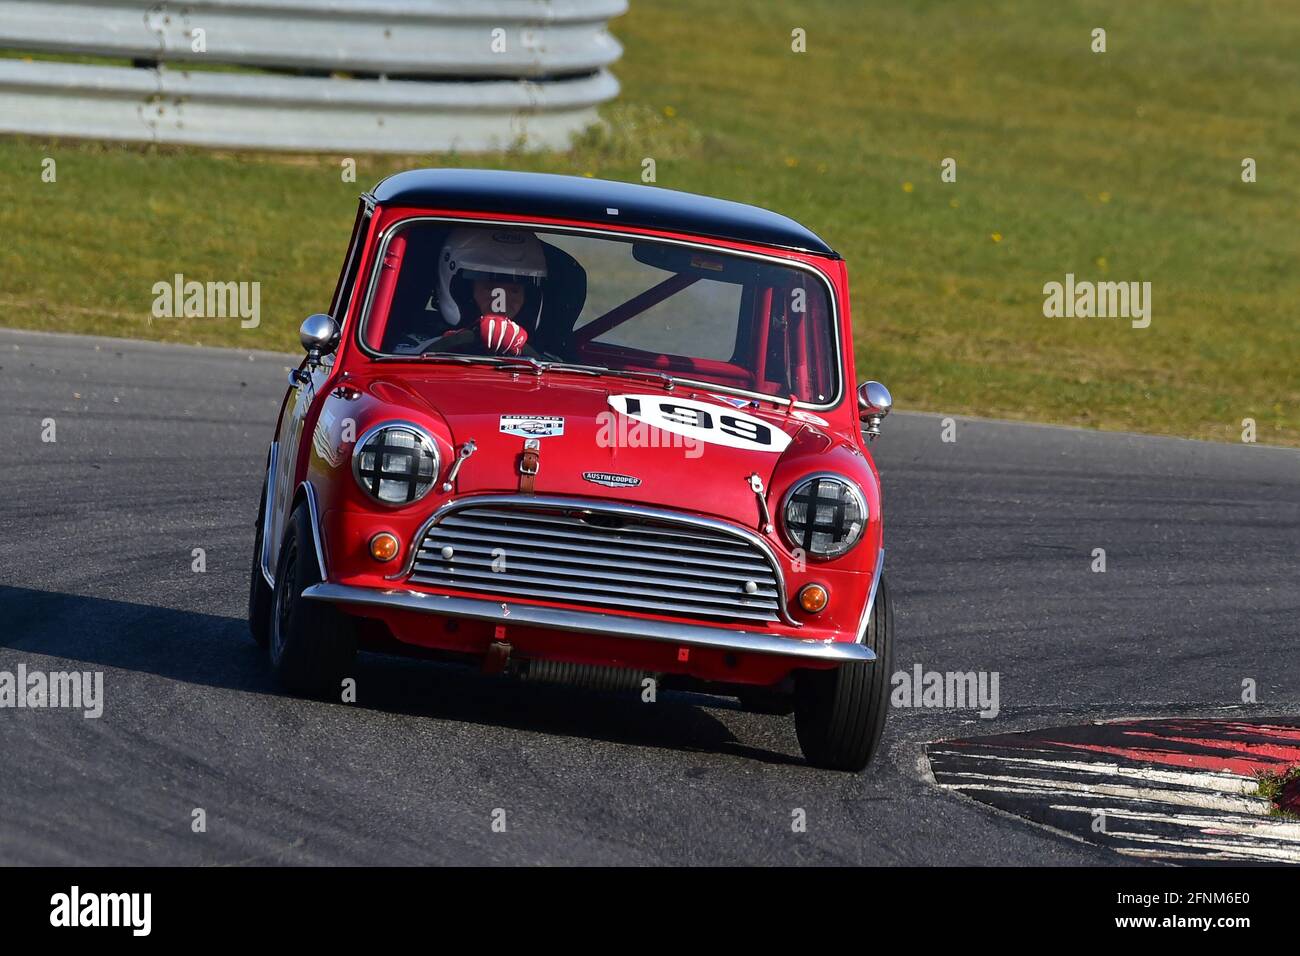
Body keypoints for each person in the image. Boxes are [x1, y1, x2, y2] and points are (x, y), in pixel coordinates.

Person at [432, 228, 547, 356]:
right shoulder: (415, 349)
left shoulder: (548, 362)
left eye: (514, 291)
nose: (502, 301)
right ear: (463, 291)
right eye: (490, 287)